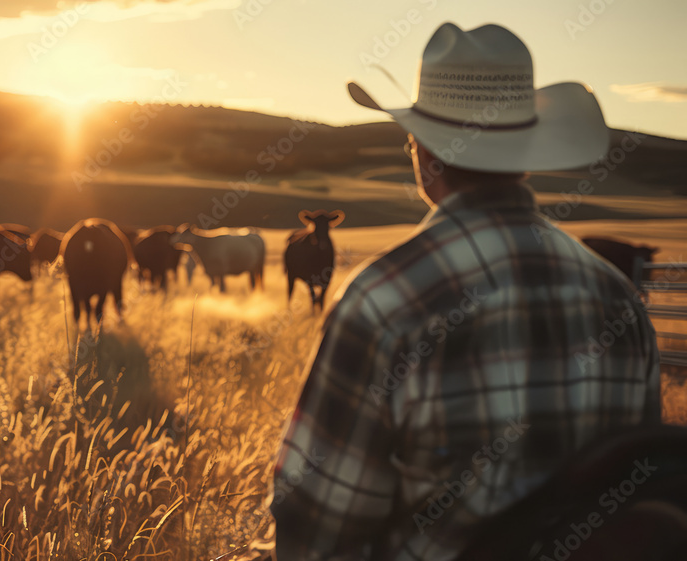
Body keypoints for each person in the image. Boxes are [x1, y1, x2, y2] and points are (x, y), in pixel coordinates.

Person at [270, 22, 661, 561]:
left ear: (424, 156)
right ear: (524, 157)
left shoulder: (384, 301)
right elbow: (638, 484)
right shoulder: (620, 298)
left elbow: (317, 524)